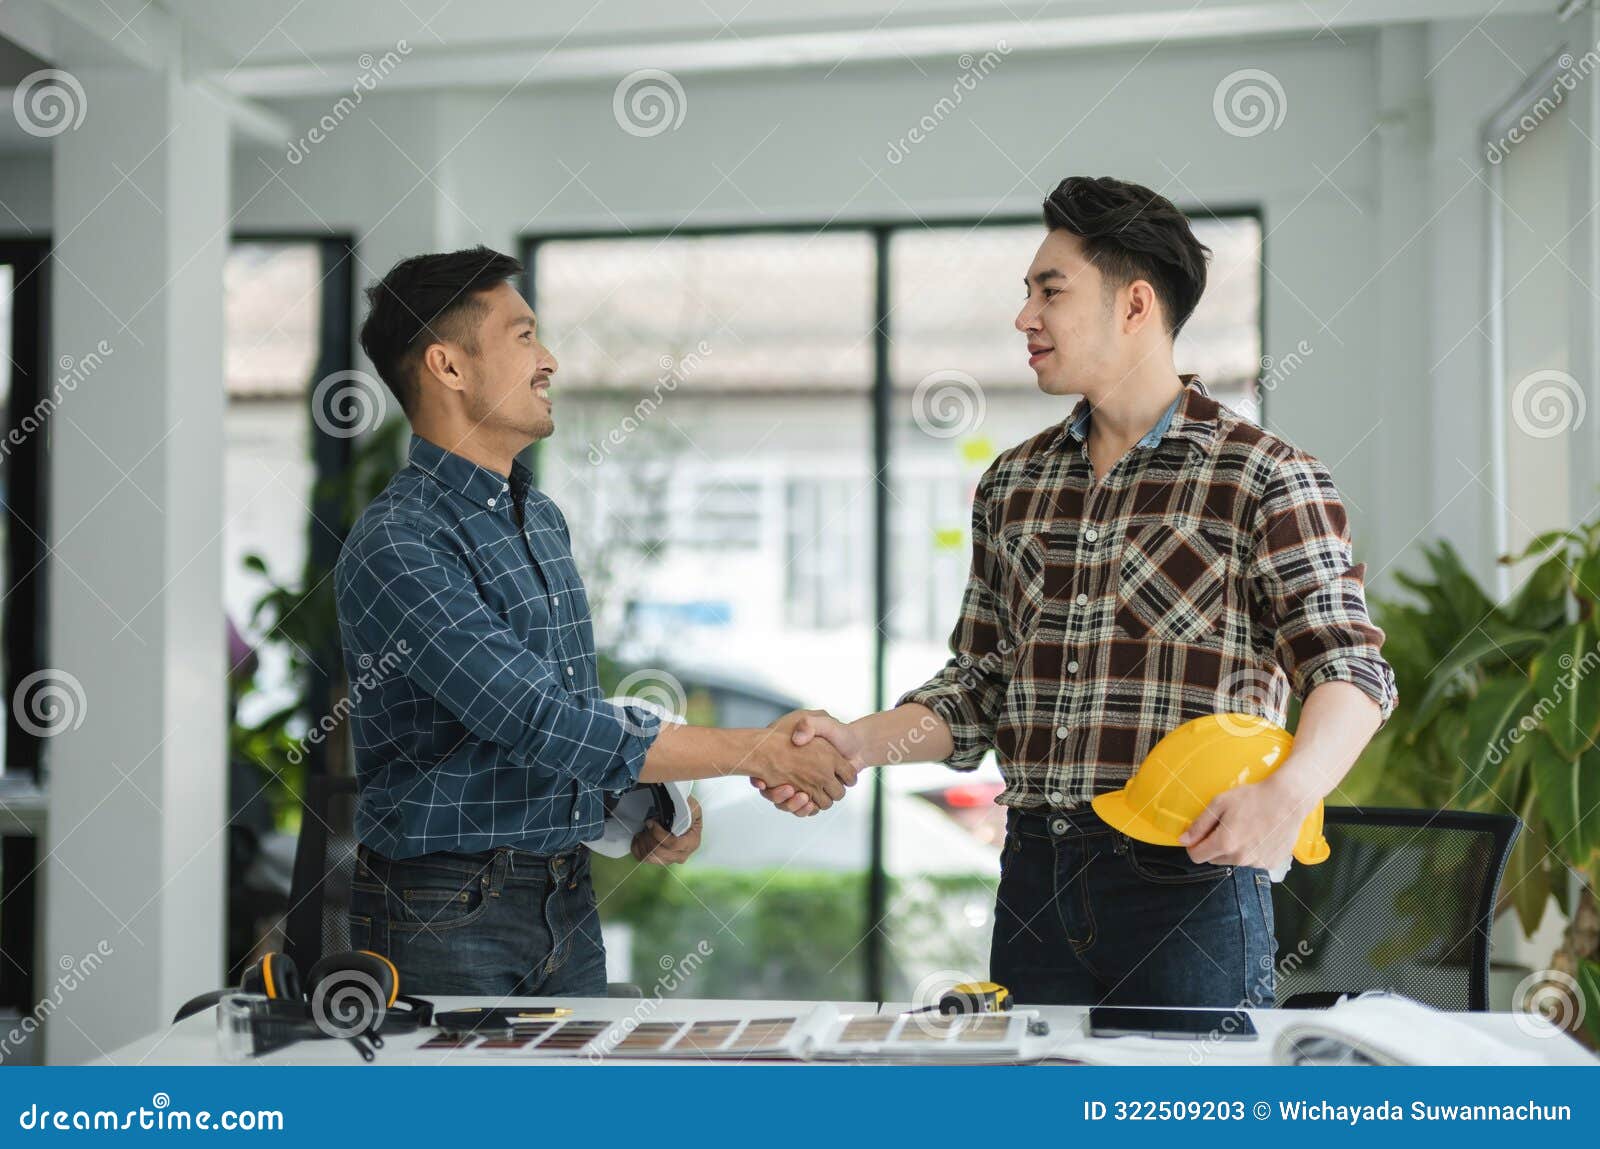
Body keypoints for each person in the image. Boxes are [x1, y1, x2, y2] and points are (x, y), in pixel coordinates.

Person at [757, 176, 1397, 1009]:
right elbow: (978, 687)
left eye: (1049, 291)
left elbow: (1350, 668)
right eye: (1027, 292)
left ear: (1134, 305)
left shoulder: (1264, 477)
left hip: (1188, 884)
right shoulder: (1014, 483)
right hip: (1034, 879)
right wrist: (853, 742)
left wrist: (1292, 792)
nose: (1025, 316)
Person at [335, 246, 856, 997]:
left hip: (565, 896)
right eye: (522, 336)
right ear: (448, 367)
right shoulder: (400, 542)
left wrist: (642, 804)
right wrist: (756, 751)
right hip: (445, 910)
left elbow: (567, 715)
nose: (548, 361)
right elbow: (534, 719)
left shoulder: (538, 517)